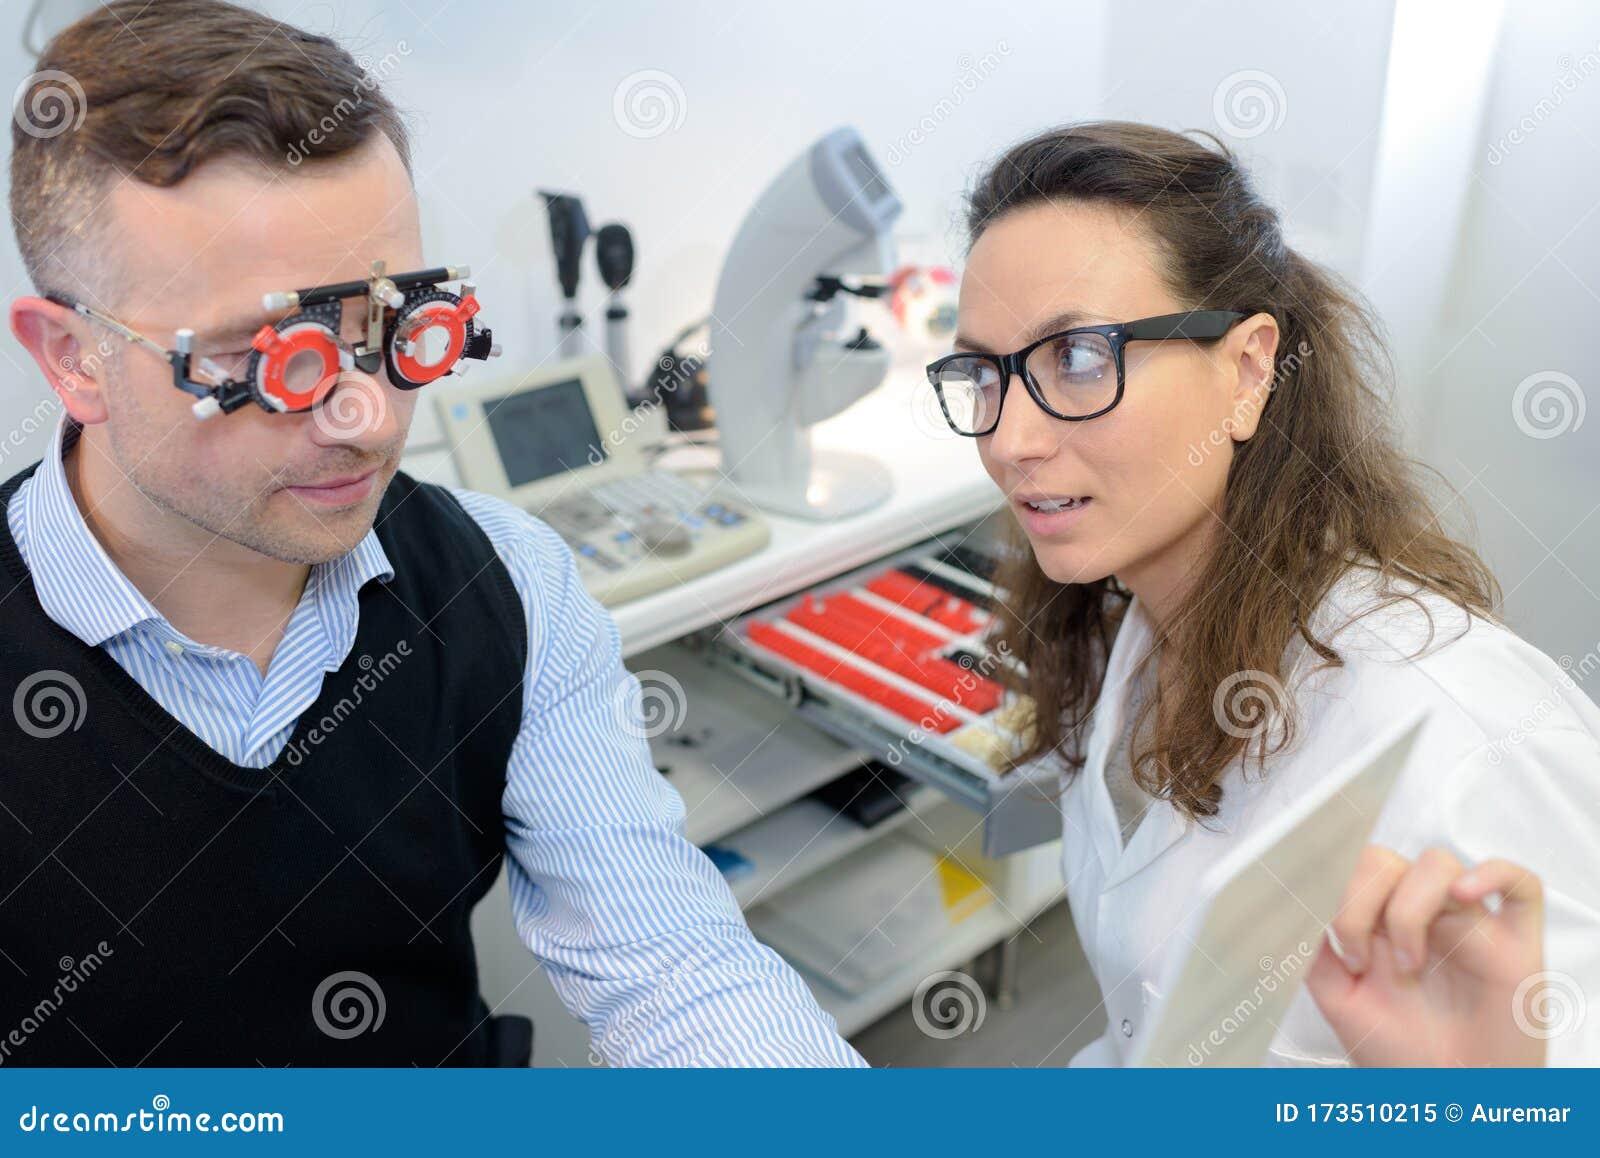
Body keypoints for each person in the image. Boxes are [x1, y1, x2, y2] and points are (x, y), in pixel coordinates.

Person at [0, 0, 862, 1068]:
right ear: (72, 357)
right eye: (271, 359)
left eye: (397, 328)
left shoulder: (504, 581)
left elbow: (674, 965)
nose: (363, 416)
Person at [929, 121, 1599, 1066]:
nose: (1008, 442)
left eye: (1077, 357)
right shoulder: (1120, 621)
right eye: (984, 373)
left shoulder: (1462, 730)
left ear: (1247, 370)